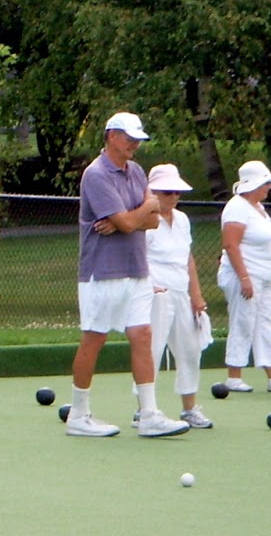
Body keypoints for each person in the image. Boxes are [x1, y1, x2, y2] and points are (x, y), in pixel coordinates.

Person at [67, 113, 189, 438]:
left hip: (137, 269)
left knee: (143, 336)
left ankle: (148, 414)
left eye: (138, 138)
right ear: (110, 136)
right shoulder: (95, 174)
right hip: (101, 271)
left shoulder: (135, 172)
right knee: (95, 339)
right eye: (129, 138)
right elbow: (129, 222)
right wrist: (133, 216)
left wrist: (132, 217)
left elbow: (150, 220)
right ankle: (78, 415)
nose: (135, 144)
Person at [216, 159, 271, 394]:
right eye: (265, 183)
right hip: (243, 275)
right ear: (253, 184)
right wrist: (244, 278)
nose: (269, 188)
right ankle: (234, 376)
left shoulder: (258, 208)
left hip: (263, 275)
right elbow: (231, 245)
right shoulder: (237, 207)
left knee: (266, 324)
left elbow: (263, 244)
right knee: (243, 321)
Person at [142, 163, 212, 429]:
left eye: (177, 192)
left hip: (182, 292)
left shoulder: (182, 220)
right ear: (153, 192)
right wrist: (149, 286)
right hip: (156, 293)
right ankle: (145, 410)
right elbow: (138, 257)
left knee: (191, 350)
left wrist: (196, 294)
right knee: (152, 349)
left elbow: (187, 258)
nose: (173, 197)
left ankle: (189, 409)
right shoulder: (146, 219)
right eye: (167, 191)